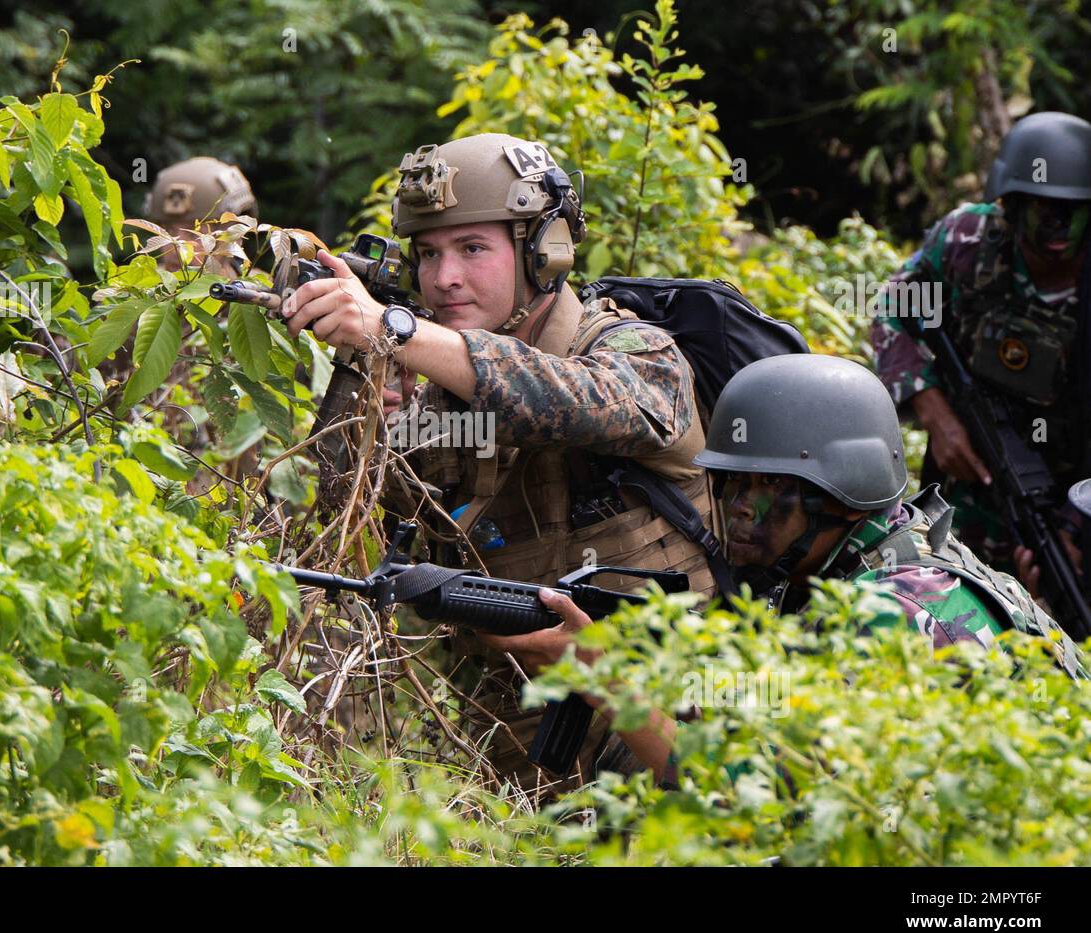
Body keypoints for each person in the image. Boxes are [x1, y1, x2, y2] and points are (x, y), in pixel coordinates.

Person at [280, 133, 715, 793]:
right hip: (521, 773)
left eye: (473, 249)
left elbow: (561, 399)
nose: (444, 278)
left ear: (545, 253)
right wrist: (360, 389)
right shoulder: (434, 398)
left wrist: (397, 329)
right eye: (427, 254)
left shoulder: (637, 351)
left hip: (679, 755)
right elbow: (329, 528)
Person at [481, 354, 1082, 778]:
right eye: (733, 485)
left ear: (840, 494)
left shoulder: (895, 609)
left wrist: (610, 682)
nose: (741, 509)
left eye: (769, 488)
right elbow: (755, 700)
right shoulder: (831, 572)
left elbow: (755, 801)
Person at [869, 112, 1091, 600]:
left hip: (1072, 503)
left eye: (1072, 208)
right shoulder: (968, 241)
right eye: (1042, 205)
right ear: (1010, 204)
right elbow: (892, 307)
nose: (1058, 221)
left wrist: (1076, 531)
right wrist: (930, 405)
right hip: (965, 489)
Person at [144, 156, 258, 273]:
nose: (176, 249)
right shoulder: (140, 287)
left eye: (195, 234)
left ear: (234, 236)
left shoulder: (262, 286)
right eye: (168, 231)